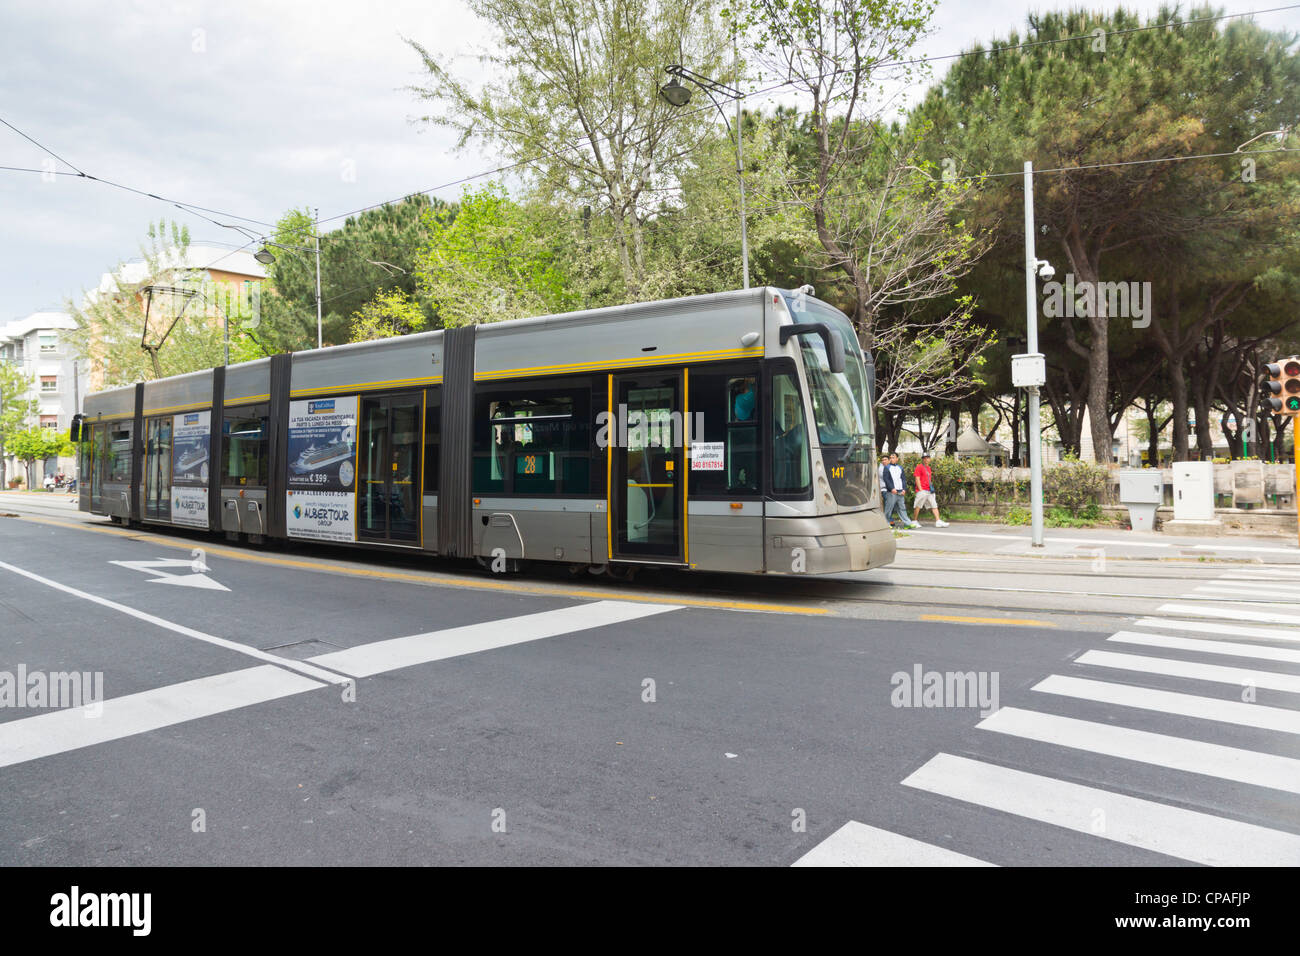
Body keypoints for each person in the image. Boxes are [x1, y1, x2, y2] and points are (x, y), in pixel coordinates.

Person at [879, 452, 917, 529]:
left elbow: (903, 479)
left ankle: (907, 523)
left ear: (897, 459)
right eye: (890, 458)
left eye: (893, 457)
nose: (891, 459)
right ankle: (886, 523)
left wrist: (904, 489)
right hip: (891, 492)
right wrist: (891, 488)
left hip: (900, 491)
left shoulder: (900, 468)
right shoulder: (887, 468)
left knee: (902, 508)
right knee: (888, 508)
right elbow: (886, 480)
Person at [912, 453, 948, 527]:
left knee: (934, 505)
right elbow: (917, 478)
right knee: (918, 505)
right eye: (924, 458)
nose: (926, 459)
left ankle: (938, 521)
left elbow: (928, 479)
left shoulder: (928, 468)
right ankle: (914, 521)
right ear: (922, 459)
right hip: (922, 490)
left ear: (930, 459)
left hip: (929, 490)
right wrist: (920, 489)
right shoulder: (919, 467)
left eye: (927, 458)